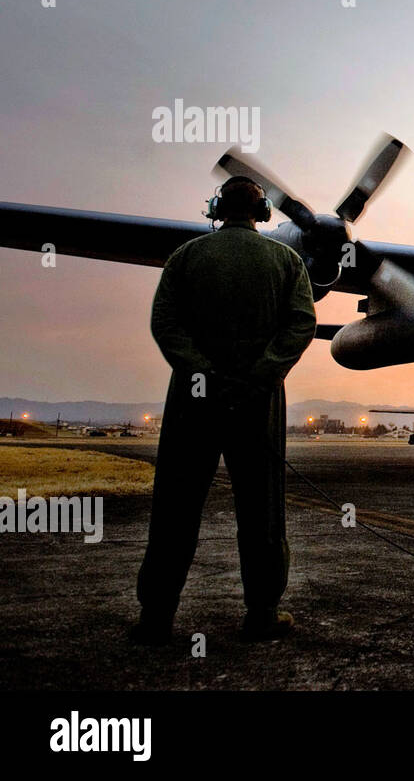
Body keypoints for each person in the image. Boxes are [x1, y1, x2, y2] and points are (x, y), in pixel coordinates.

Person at [130, 176, 316, 645]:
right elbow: (301, 324)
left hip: (192, 406)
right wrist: (260, 375)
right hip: (257, 406)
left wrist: (203, 375)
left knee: (175, 507)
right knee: (262, 512)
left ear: (216, 208)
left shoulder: (186, 257)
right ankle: (262, 614)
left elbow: (165, 323)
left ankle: (156, 618)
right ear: (263, 213)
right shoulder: (287, 260)